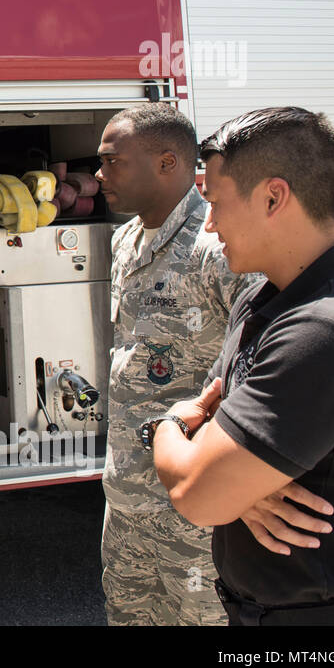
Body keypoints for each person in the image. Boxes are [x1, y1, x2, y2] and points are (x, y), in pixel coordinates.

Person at [150, 107, 334, 625]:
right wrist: (242, 486)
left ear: (273, 197)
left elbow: (198, 491)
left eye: (215, 202)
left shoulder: (328, 330)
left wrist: (167, 426)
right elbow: (221, 425)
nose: (209, 223)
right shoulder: (268, 299)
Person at [94, 103, 254, 625]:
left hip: (196, 514)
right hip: (127, 502)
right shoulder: (124, 241)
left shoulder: (218, 248)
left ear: (167, 163)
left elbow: (262, 370)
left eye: (112, 161)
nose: (99, 174)